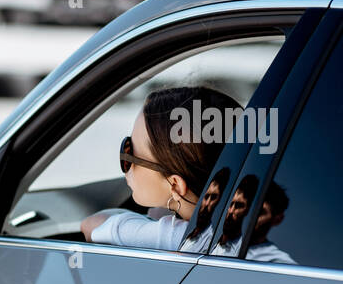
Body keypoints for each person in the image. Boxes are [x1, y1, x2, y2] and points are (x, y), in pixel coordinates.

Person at [81, 86, 242, 252]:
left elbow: (91, 226)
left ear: (175, 185)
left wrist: (152, 222)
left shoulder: (183, 238)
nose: (126, 168)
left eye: (129, 154)